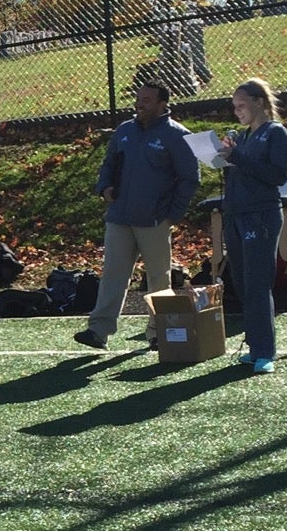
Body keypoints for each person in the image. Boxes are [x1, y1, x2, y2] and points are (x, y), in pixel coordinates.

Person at [74, 80, 201, 351]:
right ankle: (98, 331)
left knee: (158, 278)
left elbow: (190, 178)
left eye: (146, 100)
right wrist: (105, 188)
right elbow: (109, 164)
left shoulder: (176, 136)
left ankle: (158, 332)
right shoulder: (124, 131)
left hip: (155, 220)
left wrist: (172, 215)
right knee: (112, 275)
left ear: (161, 104)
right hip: (119, 217)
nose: (139, 103)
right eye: (138, 98)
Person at [216, 77, 287, 374]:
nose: (237, 111)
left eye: (242, 105)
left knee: (258, 283)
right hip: (235, 214)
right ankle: (253, 345)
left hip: (260, 215)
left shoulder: (276, 134)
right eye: (234, 107)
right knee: (242, 283)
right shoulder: (243, 136)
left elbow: (277, 175)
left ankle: (265, 352)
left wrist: (237, 158)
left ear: (259, 102)